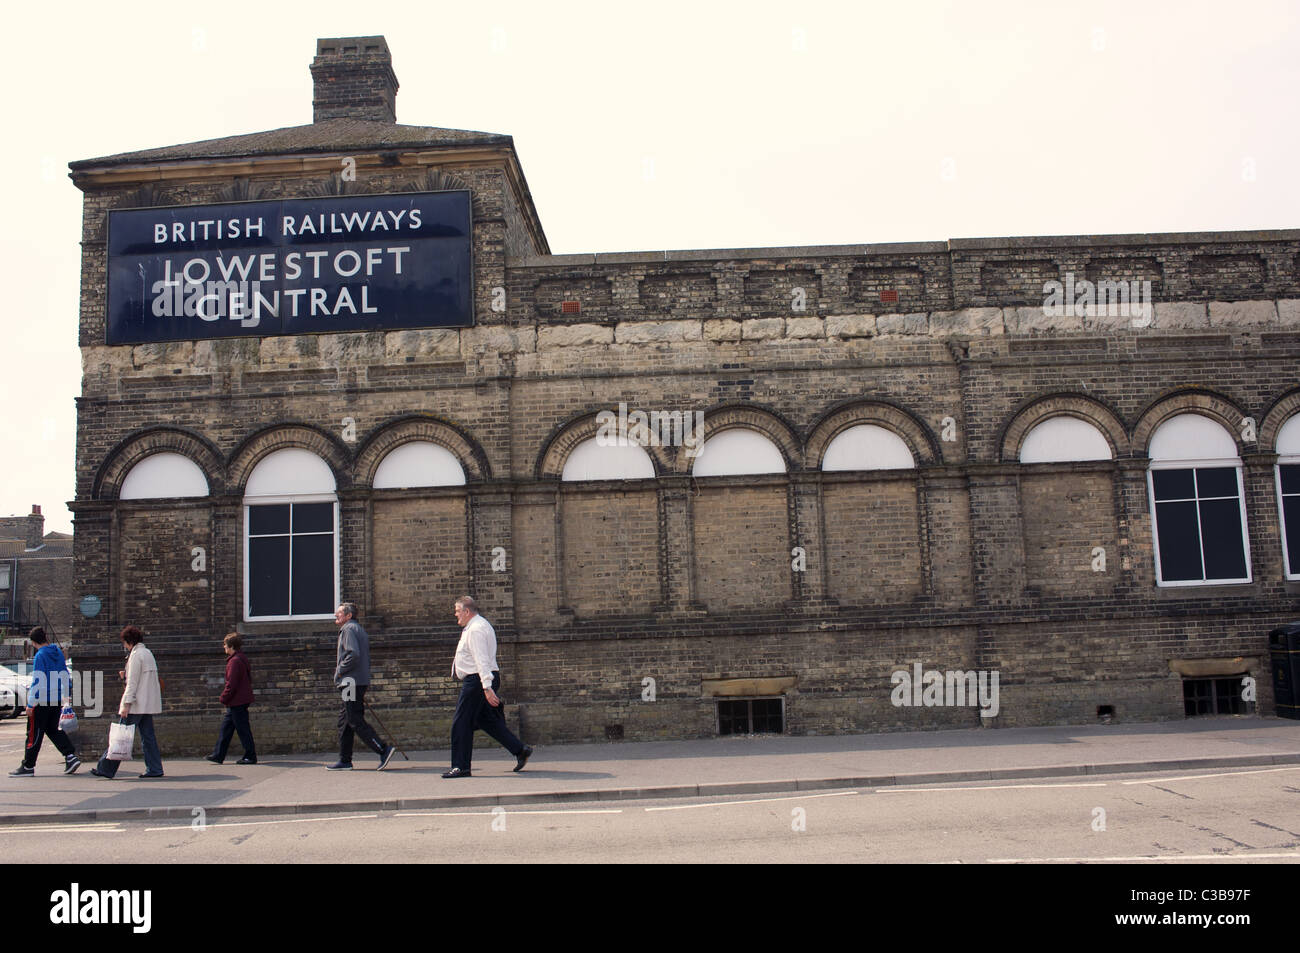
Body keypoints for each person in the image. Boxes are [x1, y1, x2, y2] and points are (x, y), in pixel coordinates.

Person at [443, 595, 532, 778]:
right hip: (480, 680)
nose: (455, 614)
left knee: (461, 722)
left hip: (477, 680)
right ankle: (519, 749)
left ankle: (460, 766)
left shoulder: (476, 629)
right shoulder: (477, 626)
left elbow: (481, 659)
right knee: (485, 720)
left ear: (467, 611)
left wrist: (486, 687)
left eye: (458, 611)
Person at [90, 626, 164, 780]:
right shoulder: (148, 653)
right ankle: (155, 768)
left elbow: (133, 683)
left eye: (124, 643)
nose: (124, 646)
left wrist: (125, 705)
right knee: (148, 737)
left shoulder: (136, 656)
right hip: (147, 704)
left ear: (129, 641)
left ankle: (106, 768)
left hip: (136, 704)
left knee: (120, 736)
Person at [330, 603, 396, 771]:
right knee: (344, 721)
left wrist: (339, 670)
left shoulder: (348, 629)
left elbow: (353, 654)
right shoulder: (358, 629)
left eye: (339, 613)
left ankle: (382, 749)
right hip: (356, 681)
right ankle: (345, 760)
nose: (336, 616)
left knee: (354, 719)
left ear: (348, 615)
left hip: (350, 682)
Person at [9, 627, 79, 777]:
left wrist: (30, 704)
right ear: (45, 638)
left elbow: (38, 681)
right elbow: (65, 675)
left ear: (33, 642)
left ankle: (28, 766)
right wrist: (66, 696)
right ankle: (70, 756)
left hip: (42, 700)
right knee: (53, 729)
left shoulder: (40, 655)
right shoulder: (58, 653)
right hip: (57, 699)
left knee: (34, 733)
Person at [206, 633, 257, 765]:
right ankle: (218, 754)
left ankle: (250, 756)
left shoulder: (234, 661)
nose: (224, 647)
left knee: (242, 729)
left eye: (225, 644)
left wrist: (223, 697)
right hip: (240, 699)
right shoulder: (241, 658)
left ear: (231, 646)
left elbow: (232, 683)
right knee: (226, 729)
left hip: (237, 700)